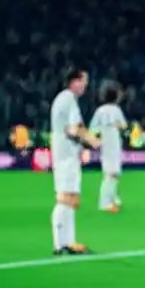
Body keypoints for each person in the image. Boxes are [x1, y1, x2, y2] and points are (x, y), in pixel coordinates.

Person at [50, 69, 100, 255]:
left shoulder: (65, 99)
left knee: (71, 198)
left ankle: (69, 241)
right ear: (74, 81)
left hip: (67, 154)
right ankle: (58, 243)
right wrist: (92, 140)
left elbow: (71, 130)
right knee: (64, 198)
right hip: (65, 156)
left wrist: (83, 147)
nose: (85, 86)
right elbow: (74, 128)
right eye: (83, 81)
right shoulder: (68, 98)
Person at [89, 85, 128, 213]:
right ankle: (104, 202)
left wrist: (97, 139)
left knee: (112, 172)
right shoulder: (116, 109)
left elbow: (93, 127)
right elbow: (123, 125)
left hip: (105, 142)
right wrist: (116, 125)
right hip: (113, 141)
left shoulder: (100, 110)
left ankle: (112, 198)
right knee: (112, 173)